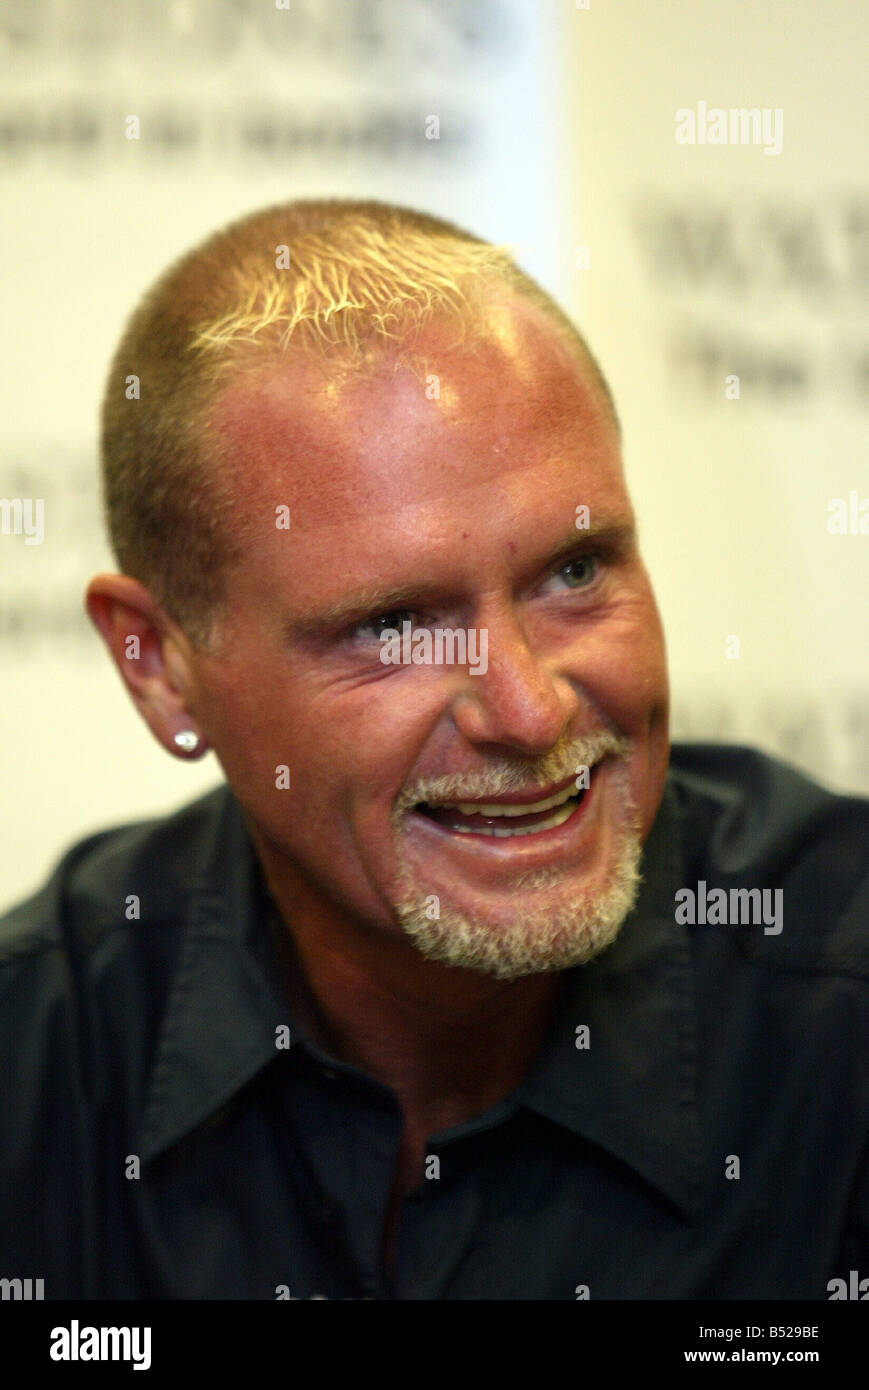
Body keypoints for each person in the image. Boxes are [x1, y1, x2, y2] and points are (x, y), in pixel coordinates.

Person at [1, 199, 866, 1300]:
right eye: (392, 627)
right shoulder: (36, 1075)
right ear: (160, 664)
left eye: (575, 570)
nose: (529, 711)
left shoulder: (838, 1016)